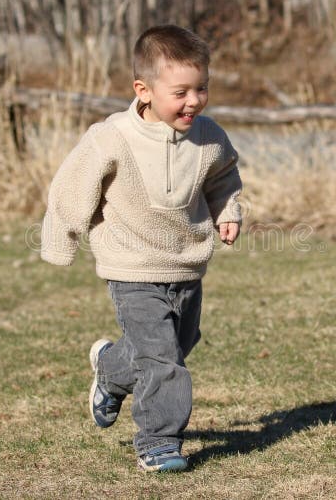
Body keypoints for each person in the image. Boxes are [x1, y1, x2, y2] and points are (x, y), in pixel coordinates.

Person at [39, 25, 242, 472]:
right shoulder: (112, 137)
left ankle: (111, 370)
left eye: (202, 88)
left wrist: (227, 210)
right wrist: (61, 238)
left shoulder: (209, 137)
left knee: (178, 344)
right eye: (181, 92)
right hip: (131, 266)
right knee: (162, 359)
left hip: (186, 265)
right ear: (143, 91)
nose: (194, 101)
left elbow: (223, 177)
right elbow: (72, 186)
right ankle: (159, 442)